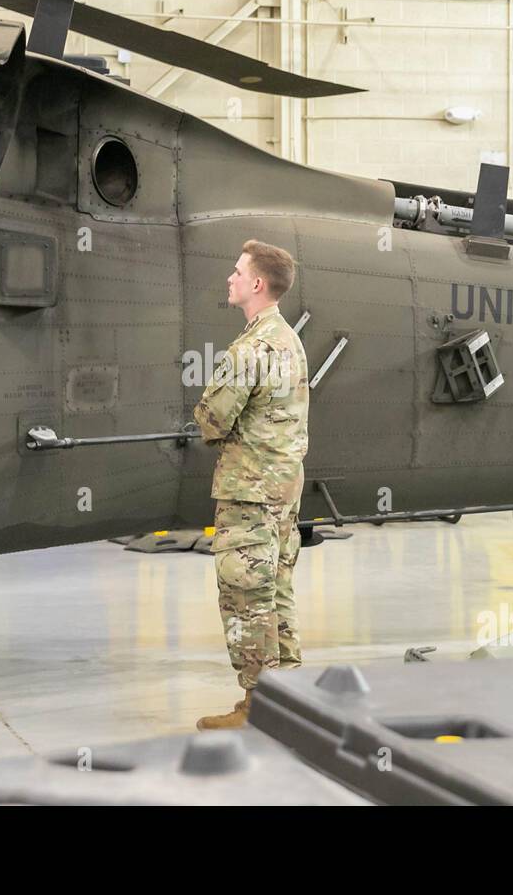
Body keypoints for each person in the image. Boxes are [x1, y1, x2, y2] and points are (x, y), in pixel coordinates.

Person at [193, 239, 309, 730]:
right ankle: (293, 701)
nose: (231, 278)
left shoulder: (251, 348)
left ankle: (259, 709)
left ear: (257, 284)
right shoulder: (289, 341)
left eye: (237, 272)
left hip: (249, 494)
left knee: (246, 598)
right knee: (276, 591)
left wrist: (204, 410)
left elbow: (211, 420)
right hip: (283, 491)